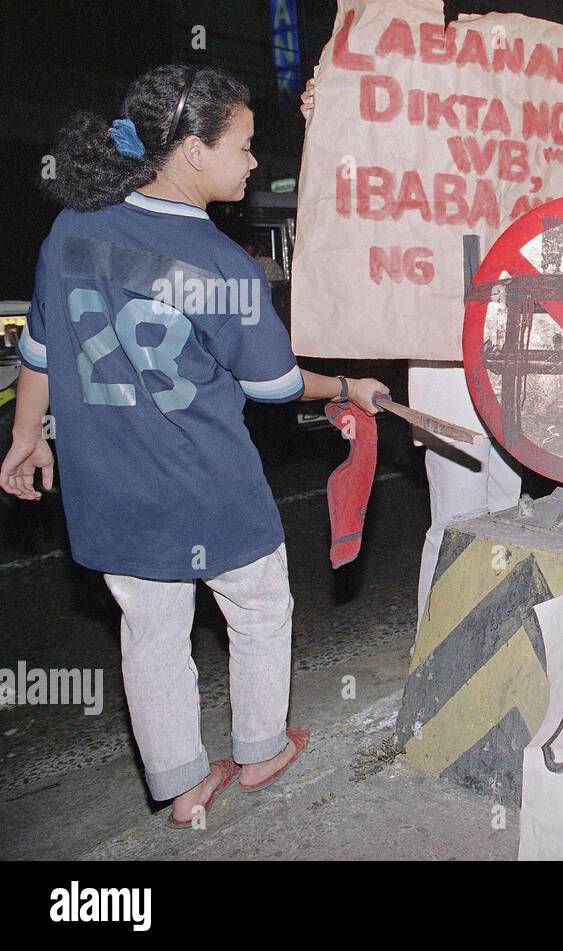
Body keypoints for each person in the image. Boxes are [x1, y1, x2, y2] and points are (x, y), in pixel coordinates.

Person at [1, 65, 388, 827]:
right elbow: (276, 385)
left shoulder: (71, 229)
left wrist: (24, 438)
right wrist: (347, 386)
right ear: (191, 151)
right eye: (242, 146)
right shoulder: (219, 264)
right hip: (208, 484)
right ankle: (260, 748)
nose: (252, 161)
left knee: (150, 635)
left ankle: (180, 786)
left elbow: (39, 353)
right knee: (258, 605)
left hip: (108, 488)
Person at [299, 76, 525, 625]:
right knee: (459, 514)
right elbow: (370, 189)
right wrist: (330, 119)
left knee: (509, 511)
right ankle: (440, 651)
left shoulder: (507, 162)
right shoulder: (426, 171)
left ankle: (496, 640)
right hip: (446, 360)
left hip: (517, 356)